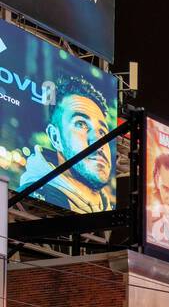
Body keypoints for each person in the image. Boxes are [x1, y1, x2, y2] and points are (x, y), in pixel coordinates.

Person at [19, 74, 116, 214]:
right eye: (81, 124)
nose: (98, 141)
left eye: (102, 132)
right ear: (55, 137)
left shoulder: (107, 210)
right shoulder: (33, 198)